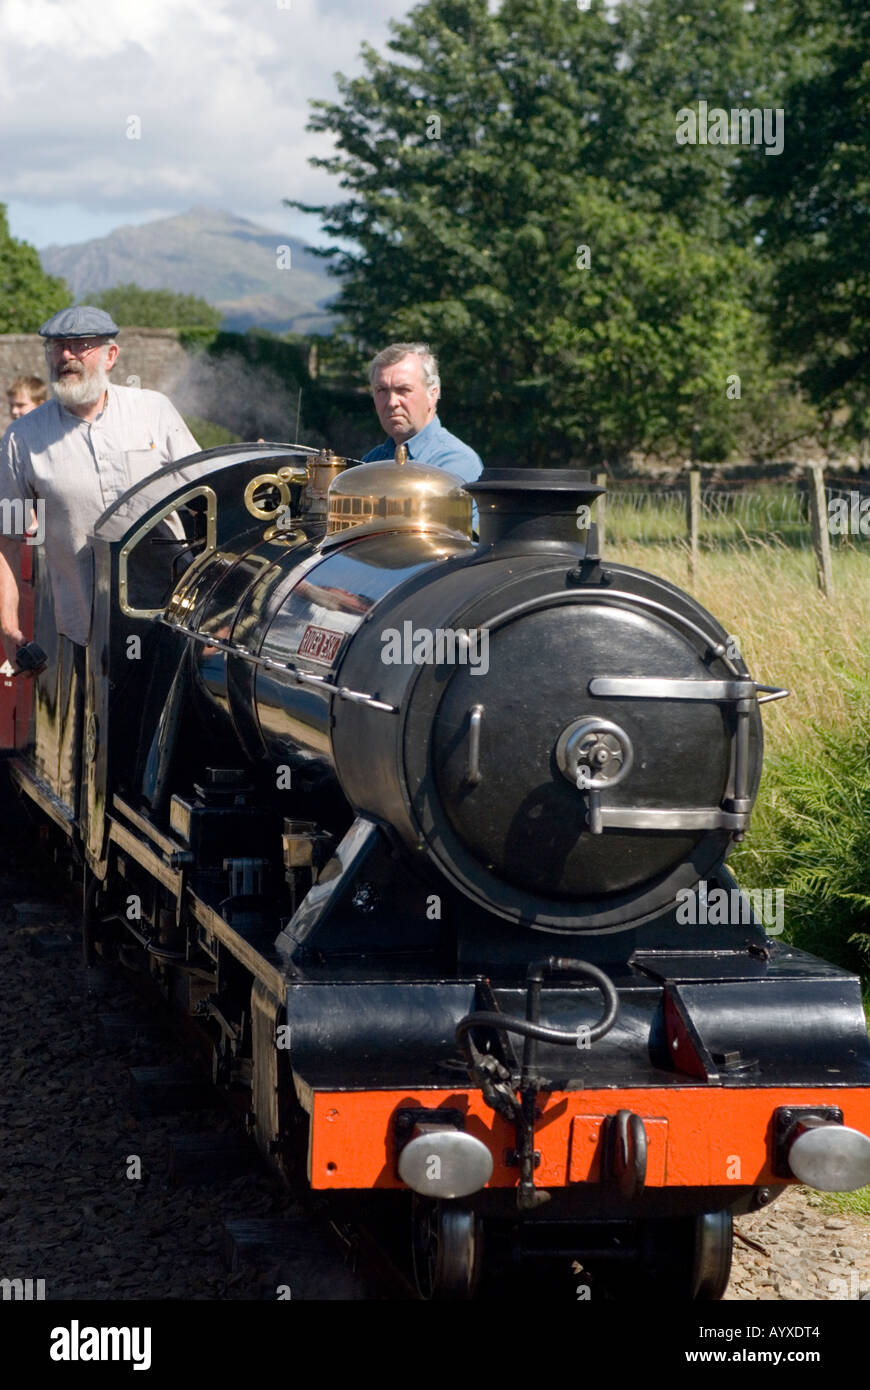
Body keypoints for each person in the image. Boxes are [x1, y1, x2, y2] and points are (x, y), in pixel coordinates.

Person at [0, 306, 199, 663]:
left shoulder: (154, 411)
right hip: (86, 628)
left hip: (173, 616)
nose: (65, 356)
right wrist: (9, 630)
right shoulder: (22, 439)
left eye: (80, 346)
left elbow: (205, 495)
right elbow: (8, 540)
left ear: (111, 356)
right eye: (57, 346)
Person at [363, 342, 482, 488]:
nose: (392, 402)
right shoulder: (371, 461)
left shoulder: (455, 463)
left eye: (403, 390)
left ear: (433, 394)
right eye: (382, 390)